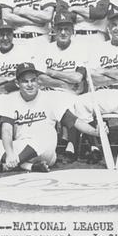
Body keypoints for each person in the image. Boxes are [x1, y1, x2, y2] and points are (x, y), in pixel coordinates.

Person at [0, 62, 94, 174]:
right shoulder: (10, 100)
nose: (30, 84)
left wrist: (95, 132)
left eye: (33, 80)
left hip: (44, 150)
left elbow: (74, 121)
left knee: (49, 134)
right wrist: (9, 154)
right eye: (25, 81)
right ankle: (28, 166)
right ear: (17, 83)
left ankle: (10, 164)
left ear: (38, 81)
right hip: (21, 147)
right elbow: (7, 130)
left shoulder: (50, 98)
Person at [74, 5, 118, 166]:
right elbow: (93, 77)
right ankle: (95, 147)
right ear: (108, 28)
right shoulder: (99, 48)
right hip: (102, 93)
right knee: (80, 103)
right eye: (114, 25)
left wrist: (106, 72)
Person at [33, 10, 89, 161]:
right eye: (60, 29)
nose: (63, 32)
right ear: (54, 30)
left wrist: (52, 72)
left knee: (72, 104)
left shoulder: (79, 49)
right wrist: (64, 83)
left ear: (72, 31)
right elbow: (39, 79)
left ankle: (71, 145)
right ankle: (47, 148)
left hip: (69, 95)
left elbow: (78, 78)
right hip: (48, 91)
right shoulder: (45, 49)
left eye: (67, 29)